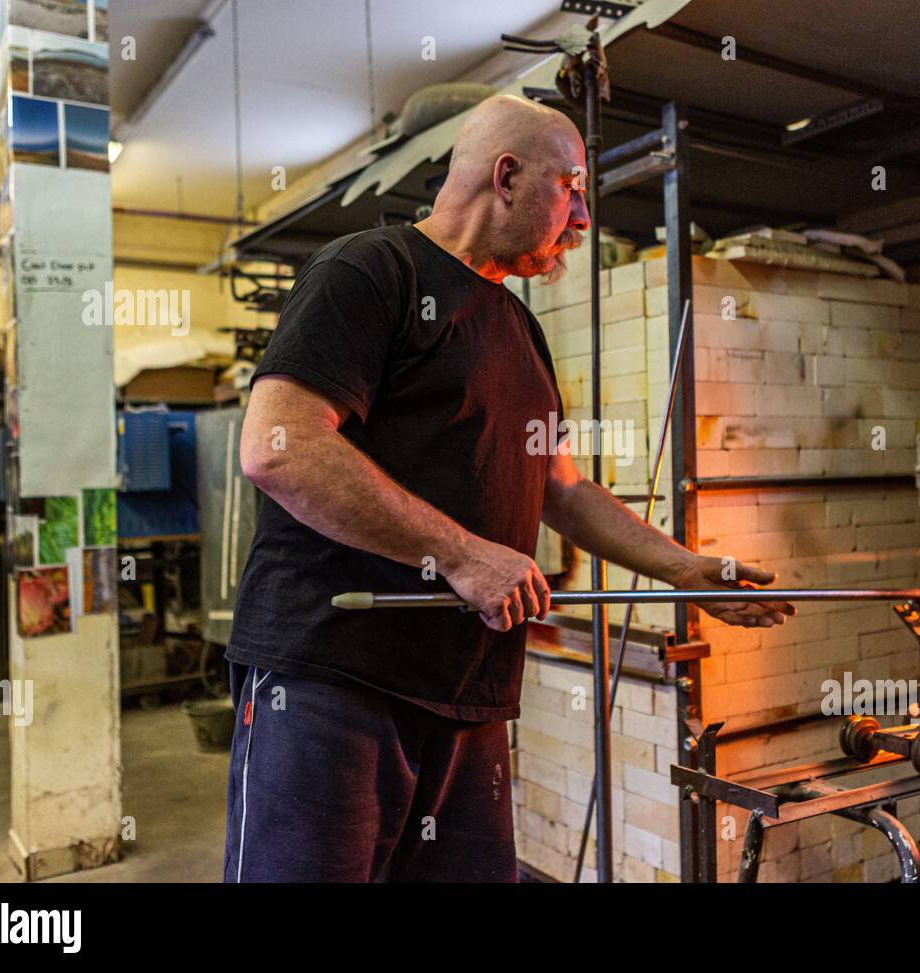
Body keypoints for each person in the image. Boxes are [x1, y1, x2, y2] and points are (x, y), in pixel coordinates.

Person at [223, 94, 793, 882]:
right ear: (507, 176)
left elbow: (563, 488)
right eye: (574, 188)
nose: (585, 218)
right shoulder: (368, 271)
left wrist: (686, 569)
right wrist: (460, 554)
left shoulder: (519, 329)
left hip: (467, 698)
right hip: (331, 683)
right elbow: (277, 447)